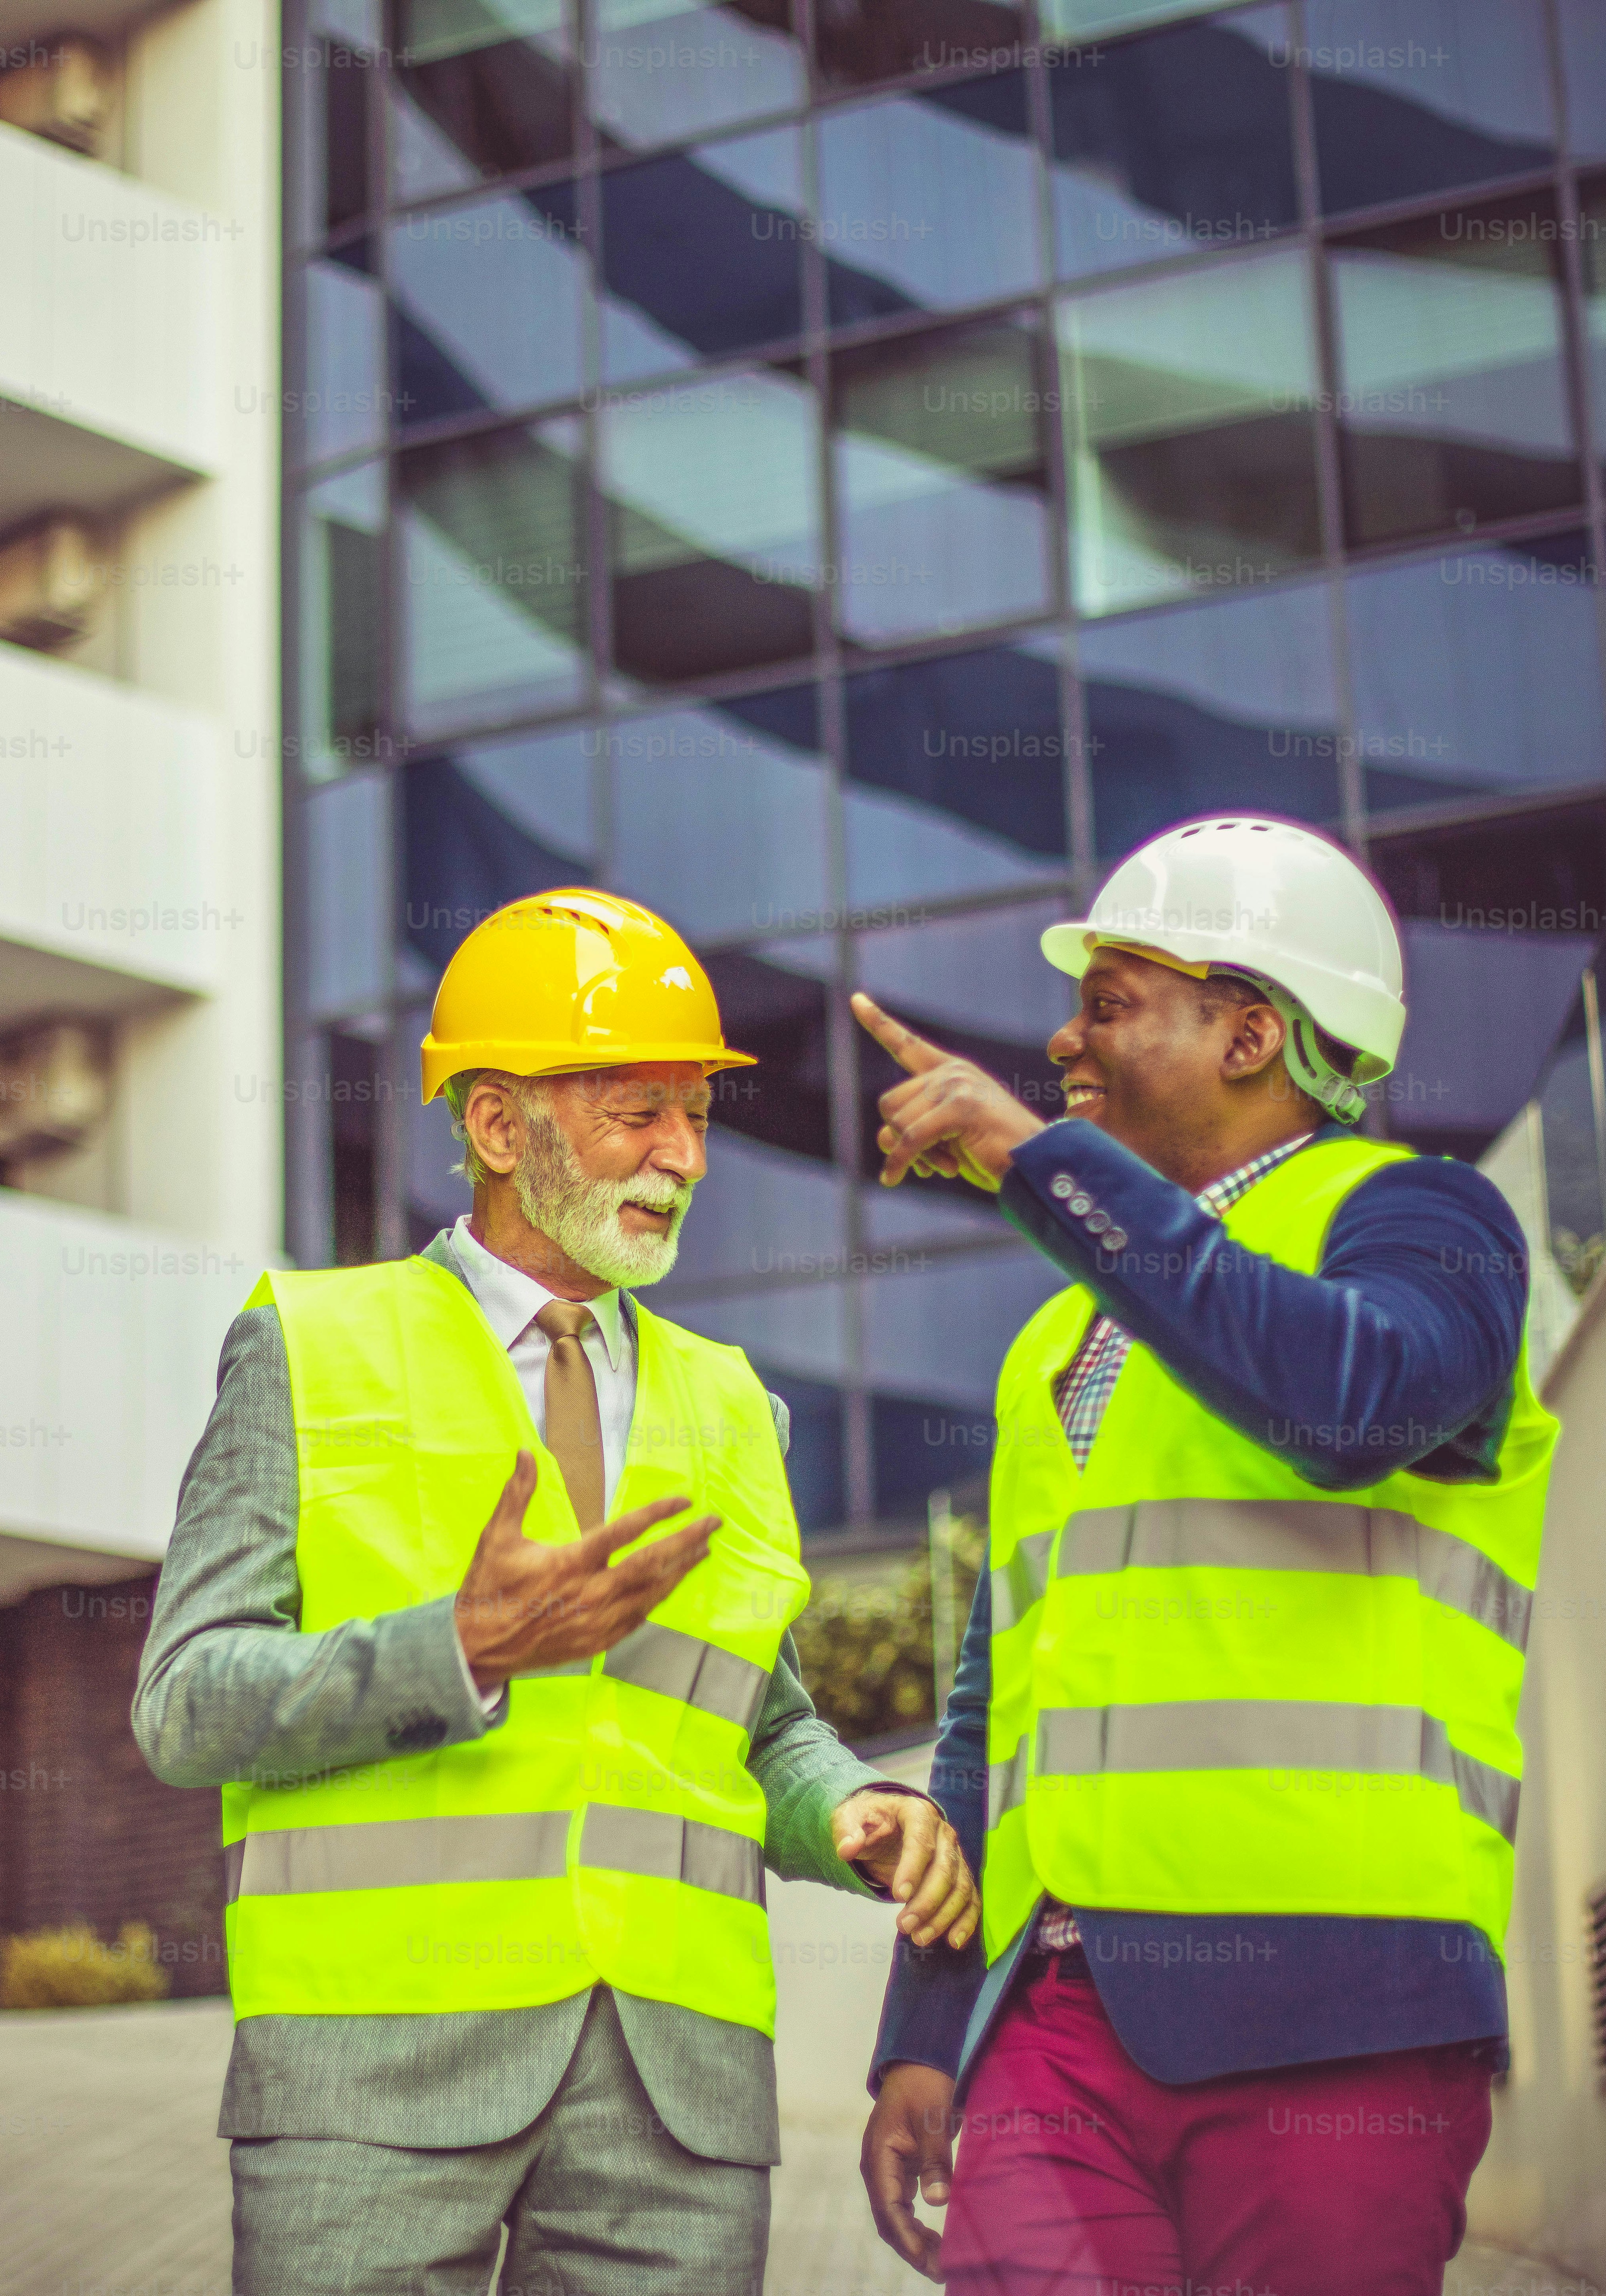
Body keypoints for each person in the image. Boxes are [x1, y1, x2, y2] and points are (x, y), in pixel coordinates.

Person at [137, 887, 976, 2296]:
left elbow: (750, 1723)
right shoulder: (311, 1347)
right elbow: (183, 1705)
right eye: (637, 1112)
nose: (685, 1157)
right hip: (372, 2074)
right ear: (494, 1127)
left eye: (696, 1117)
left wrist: (847, 1807)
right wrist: (454, 1651)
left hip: (677, 2097)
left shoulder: (735, 1407)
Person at [845, 817, 1558, 2294]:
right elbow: (998, 1710)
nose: (1061, 1038)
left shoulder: (1422, 1219)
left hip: (1343, 2007)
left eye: (1109, 1003)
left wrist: (1041, 1167)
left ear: (1249, 1034)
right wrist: (924, 2036)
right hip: (1058, 2015)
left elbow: (1347, 1403)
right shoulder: (1054, 1340)